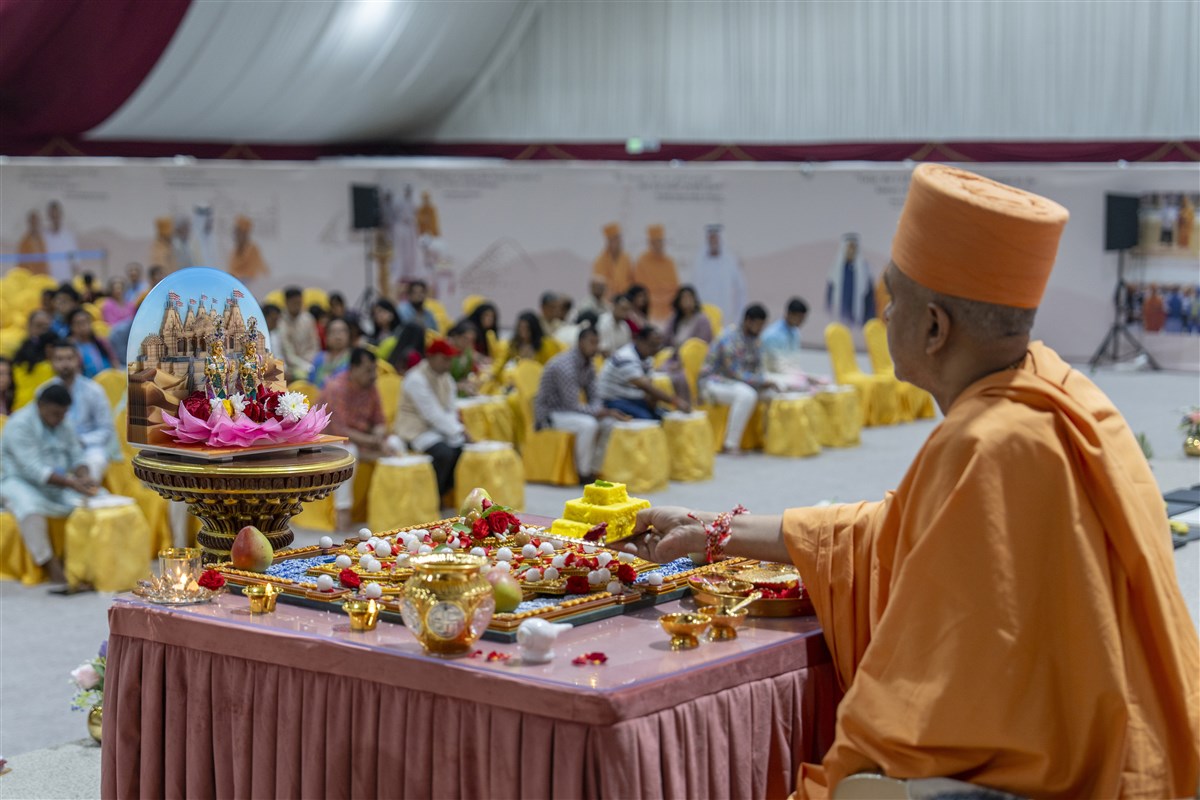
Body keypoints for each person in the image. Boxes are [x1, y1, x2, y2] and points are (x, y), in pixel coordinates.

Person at [622, 164, 1200, 799]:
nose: (885, 315)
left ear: (933, 328)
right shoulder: (1056, 386)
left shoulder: (989, 440)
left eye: (893, 299)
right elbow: (898, 532)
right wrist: (711, 531)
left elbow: (916, 701)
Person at [0, 383, 98, 585]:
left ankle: (83, 561)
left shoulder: (63, 420)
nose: (59, 419)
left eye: (63, 414)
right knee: (29, 508)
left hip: (57, 483)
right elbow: (33, 469)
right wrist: (71, 483)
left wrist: (84, 476)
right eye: (55, 413)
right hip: (16, 480)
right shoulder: (20, 424)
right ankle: (49, 563)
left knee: (93, 500)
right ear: (40, 405)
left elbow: (76, 455)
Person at [535, 326, 628, 482]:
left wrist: (602, 411)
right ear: (580, 342)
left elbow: (595, 395)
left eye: (597, 343)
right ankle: (583, 473)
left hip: (569, 410)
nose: (595, 348)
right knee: (589, 424)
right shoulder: (565, 366)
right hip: (551, 413)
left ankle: (594, 469)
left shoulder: (588, 363)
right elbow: (571, 405)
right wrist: (599, 412)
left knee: (608, 423)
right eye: (591, 342)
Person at [320, 347, 395, 529]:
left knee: (395, 443)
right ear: (353, 368)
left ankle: (390, 514)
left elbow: (380, 420)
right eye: (368, 370)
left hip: (363, 439)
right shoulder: (336, 387)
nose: (373, 375)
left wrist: (378, 434)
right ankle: (342, 513)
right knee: (350, 455)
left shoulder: (370, 387)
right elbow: (340, 430)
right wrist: (374, 442)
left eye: (374, 369)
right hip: (328, 440)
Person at [394, 338, 470, 497]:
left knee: (461, 450)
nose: (448, 363)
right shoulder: (415, 378)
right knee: (444, 454)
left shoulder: (446, 377)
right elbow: (432, 414)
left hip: (436, 429)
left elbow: (450, 409)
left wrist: (459, 432)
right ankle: (431, 496)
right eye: (444, 359)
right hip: (415, 430)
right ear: (431, 357)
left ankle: (443, 492)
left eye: (450, 359)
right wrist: (460, 431)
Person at [699, 304, 777, 453]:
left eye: (763, 325)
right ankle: (730, 444)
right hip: (715, 381)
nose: (761, 329)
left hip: (741, 383)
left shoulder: (755, 339)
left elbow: (758, 368)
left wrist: (765, 382)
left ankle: (765, 439)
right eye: (758, 324)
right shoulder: (729, 338)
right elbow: (735, 373)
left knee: (773, 395)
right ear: (748, 321)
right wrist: (761, 381)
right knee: (747, 395)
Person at [44, 339, 118, 482]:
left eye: (69, 358)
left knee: (95, 462)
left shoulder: (94, 390)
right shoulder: (44, 392)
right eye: (59, 359)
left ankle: (85, 498)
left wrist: (81, 440)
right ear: (52, 362)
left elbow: (106, 429)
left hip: (88, 446)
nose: (65, 364)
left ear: (78, 360)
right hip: (55, 446)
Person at [597, 327, 689, 420]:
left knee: (664, 416)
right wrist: (676, 402)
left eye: (658, 346)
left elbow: (648, 387)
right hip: (612, 400)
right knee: (646, 419)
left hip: (632, 398)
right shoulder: (626, 357)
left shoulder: (647, 358)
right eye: (652, 345)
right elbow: (646, 387)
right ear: (640, 341)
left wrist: (653, 403)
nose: (655, 350)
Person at [661, 285, 714, 400]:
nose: (687, 301)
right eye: (683, 298)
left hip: (694, 364)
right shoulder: (675, 319)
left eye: (689, 298)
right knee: (659, 373)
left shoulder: (702, 320)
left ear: (695, 300)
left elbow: (701, 347)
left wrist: (682, 363)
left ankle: (685, 407)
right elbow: (664, 340)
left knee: (680, 378)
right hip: (674, 359)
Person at [691, 224, 747, 327]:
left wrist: (738, 317)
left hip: (726, 315)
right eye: (711, 238)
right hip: (703, 314)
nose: (713, 241)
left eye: (715, 238)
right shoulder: (700, 262)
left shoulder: (730, 261)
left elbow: (741, 290)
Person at [826, 233, 876, 326]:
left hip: (858, 319)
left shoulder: (865, 270)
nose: (851, 250)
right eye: (849, 247)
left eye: (854, 247)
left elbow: (869, 298)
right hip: (838, 318)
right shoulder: (835, 269)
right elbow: (829, 295)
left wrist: (869, 319)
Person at [633, 224, 679, 322]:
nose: (659, 244)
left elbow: (675, 287)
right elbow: (640, 289)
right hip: (650, 311)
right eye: (656, 241)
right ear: (650, 242)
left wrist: (666, 300)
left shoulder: (669, 262)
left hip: (668, 310)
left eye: (661, 241)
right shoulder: (642, 261)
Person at [11, 310, 55, 410]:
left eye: (46, 327)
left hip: (47, 408)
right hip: (21, 408)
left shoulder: (56, 352)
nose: (42, 331)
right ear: (29, 326)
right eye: (38, 326)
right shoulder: (18, 352)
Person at [277, 286, 320, 381]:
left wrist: (309, 362)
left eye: (299, 303)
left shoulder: (308, 318)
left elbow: (315, 345)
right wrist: (305, 366)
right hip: (288, 367)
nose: (297, 306)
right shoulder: (280, 321)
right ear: (287, 302)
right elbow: (287, 352)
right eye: (294, 303)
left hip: (310, 363)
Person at [760, 296, 809, 374]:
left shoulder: (795, 332)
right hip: (772, 374)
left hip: (788, 374)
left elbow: (794, 361)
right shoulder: (772, 334)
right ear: (789, 314)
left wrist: (804, 376)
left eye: (803, 318)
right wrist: (800, 376)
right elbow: (777, 366)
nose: (801, 321)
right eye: (799, 317)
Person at [67, 309, 117, 378]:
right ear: (71, 326)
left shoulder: (101, 342)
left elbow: (114, 363)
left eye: (85, 322)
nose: (83, 326)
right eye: (79, 323)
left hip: (109, 380)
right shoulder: (70, 346)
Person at [387, 184, 420, 287]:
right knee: (400, 251)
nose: (408, 192)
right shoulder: (398, 201)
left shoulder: (414, 201)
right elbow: (394, 214)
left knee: (411, 252)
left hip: (410, 228)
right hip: (401, 227)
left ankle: (409, 272)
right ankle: (398, 272)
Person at [592, 222, 633, 298]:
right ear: (608, 241)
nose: (618, 241)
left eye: (619, 238)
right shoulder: (600, 261)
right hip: (607, 300)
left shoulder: (626, 258)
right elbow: (599, 284)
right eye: (614, 239)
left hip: (625, 299)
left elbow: (631, 280)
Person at [308, 317, 352, 388]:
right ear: (326, 337)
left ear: (349, 336)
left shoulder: (353, 359)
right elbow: (310, 383)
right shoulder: (318, 358)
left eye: (342, 331)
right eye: (333, 332)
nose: (338, 336)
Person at [42, 200, 79, 282]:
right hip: (48, 281)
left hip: (66, 280)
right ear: (49, 216)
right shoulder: (44, 236)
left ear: (61, 215)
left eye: (57, 215)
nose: (55, 218)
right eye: (52, 215)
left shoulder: (68, 237)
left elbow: (75, 262)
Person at [228, 215, 269, 285]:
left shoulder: (253, 249)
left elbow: (254, 272)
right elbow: (231, 271)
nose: (236, 234)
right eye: (236, 232)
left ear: (244, 233)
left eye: (238, 232)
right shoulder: (234, 251)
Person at [18, 210, 47, 275]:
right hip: (28, 278)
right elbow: (21, 265)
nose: (34, 225)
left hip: (41, 277)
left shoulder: (42, 240)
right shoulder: (24, 242)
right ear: (29, 223)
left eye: (36, 222)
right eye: (32, 222)